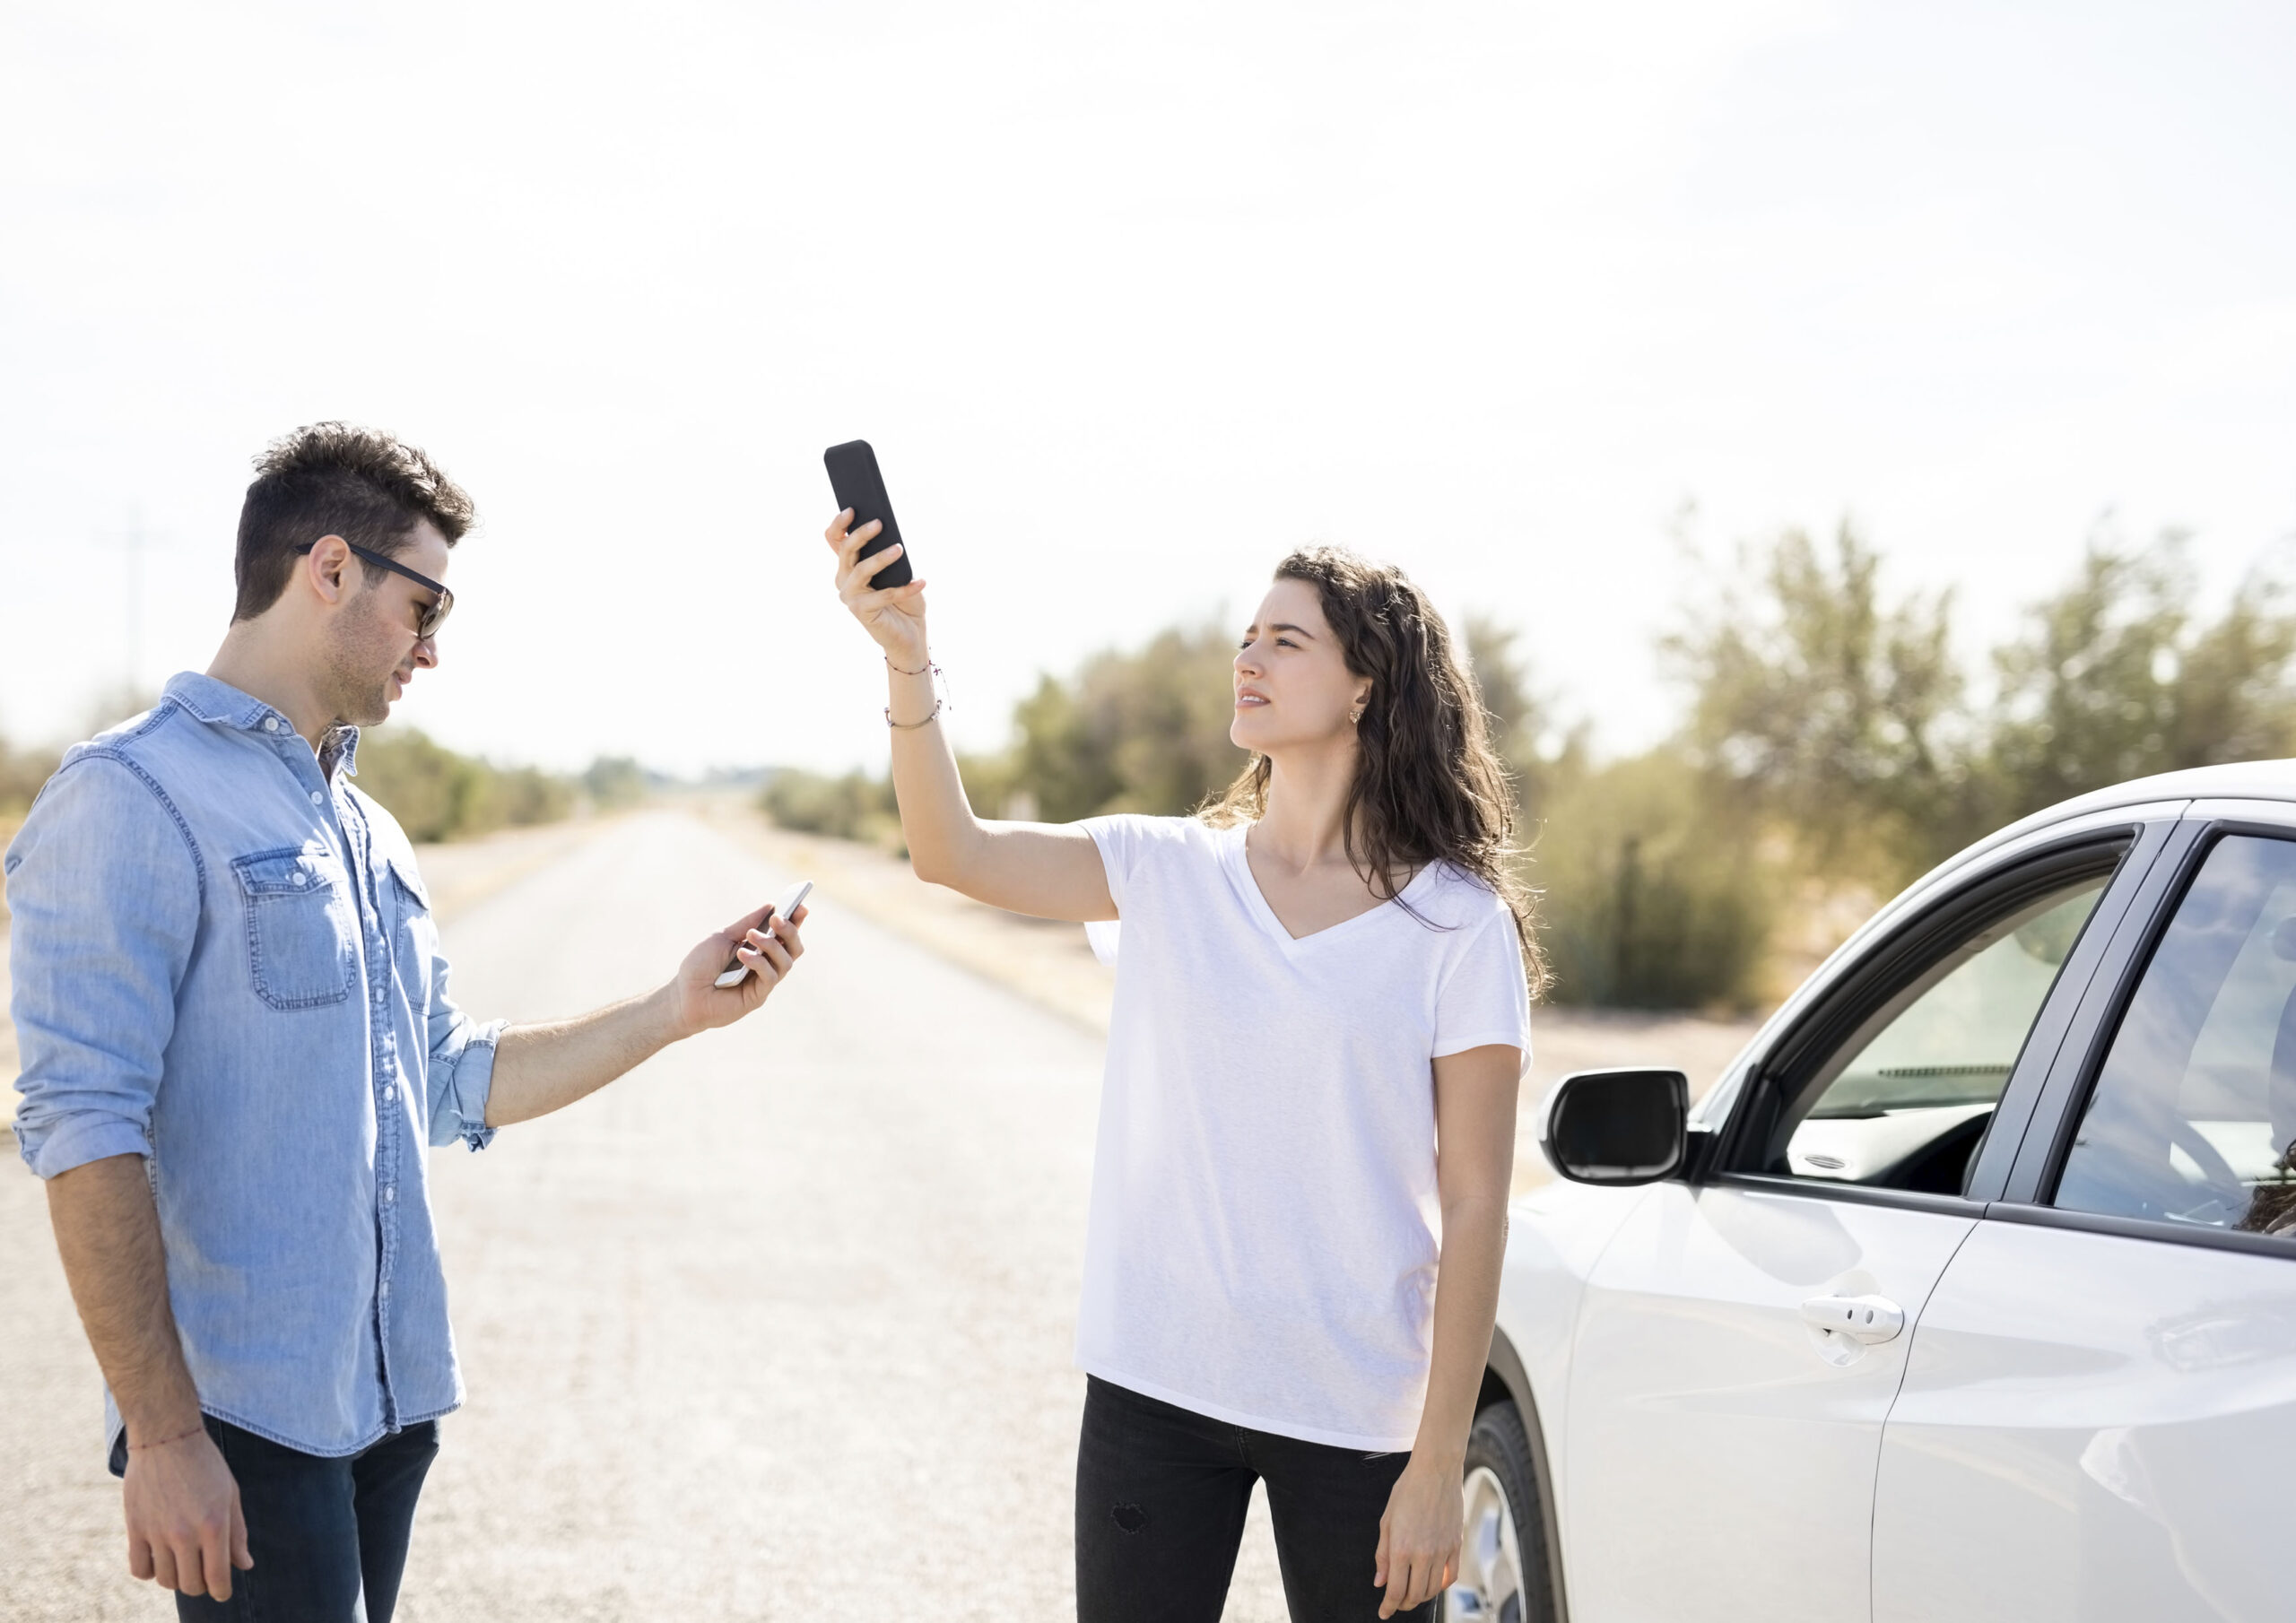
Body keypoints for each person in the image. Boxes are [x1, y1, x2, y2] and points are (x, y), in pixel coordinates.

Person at [6, 423, 808, 1620]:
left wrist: (672, 1010)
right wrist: (165, 1434)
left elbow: (445, 1074)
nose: (432, 649)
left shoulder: (366, 823)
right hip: (244, 1425)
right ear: (330, 569)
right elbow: (84, 1129)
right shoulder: (129, 795)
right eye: (425, 608)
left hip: (385, 1410)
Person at [823, 514, 1535, 1621]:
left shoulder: (1456, 924)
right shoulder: (1167, 870)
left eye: (1286, 640)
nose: (1248, 656)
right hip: (1154, 1384)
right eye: (1247, 635)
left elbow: (1478, 1199)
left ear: (1366, 685)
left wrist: (1440, 1459)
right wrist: (906, 659)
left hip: (1359, 1409)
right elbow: (948, 849)